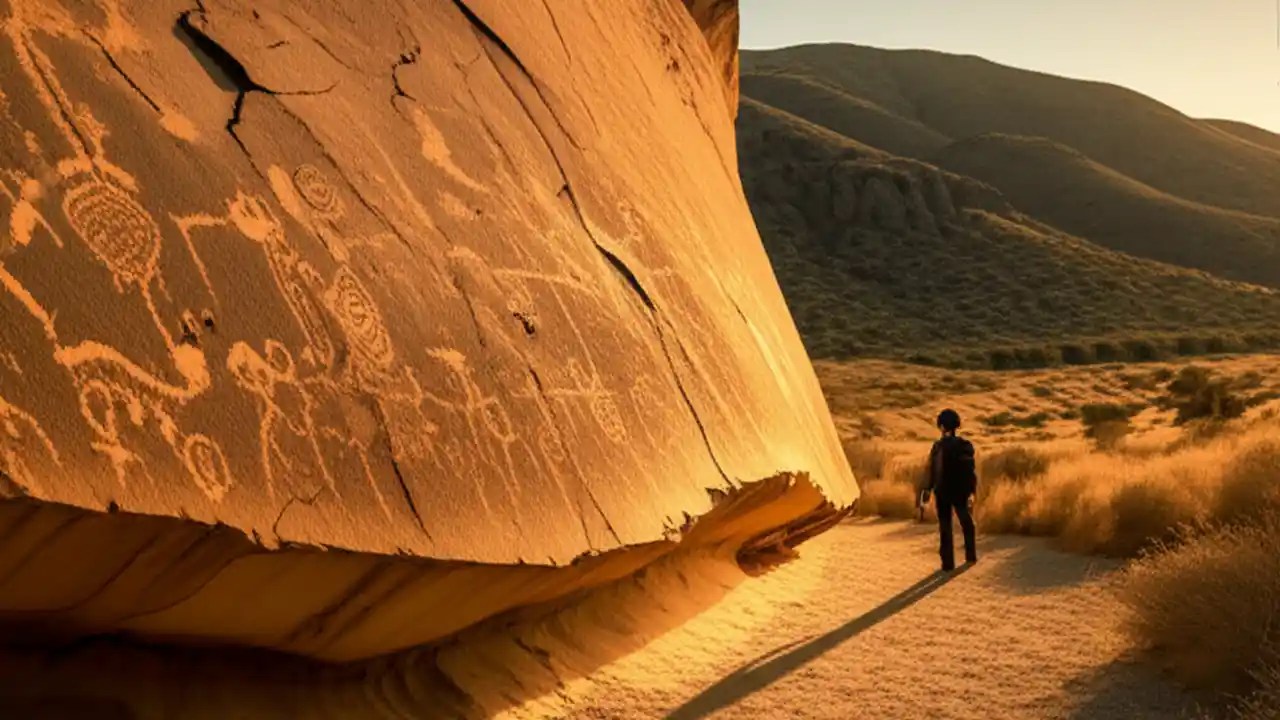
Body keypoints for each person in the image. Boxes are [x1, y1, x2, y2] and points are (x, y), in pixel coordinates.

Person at [921, 409, 978, 571]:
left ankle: (947, 563)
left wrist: (927, 490)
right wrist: (972, 491)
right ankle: (970, 556)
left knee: (945, 528)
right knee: (967, 524)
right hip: (960, 491)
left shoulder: (938, 447)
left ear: (941, 426)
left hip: (942, 491)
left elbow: (932, 470)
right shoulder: (965, 446)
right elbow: (970, 471)